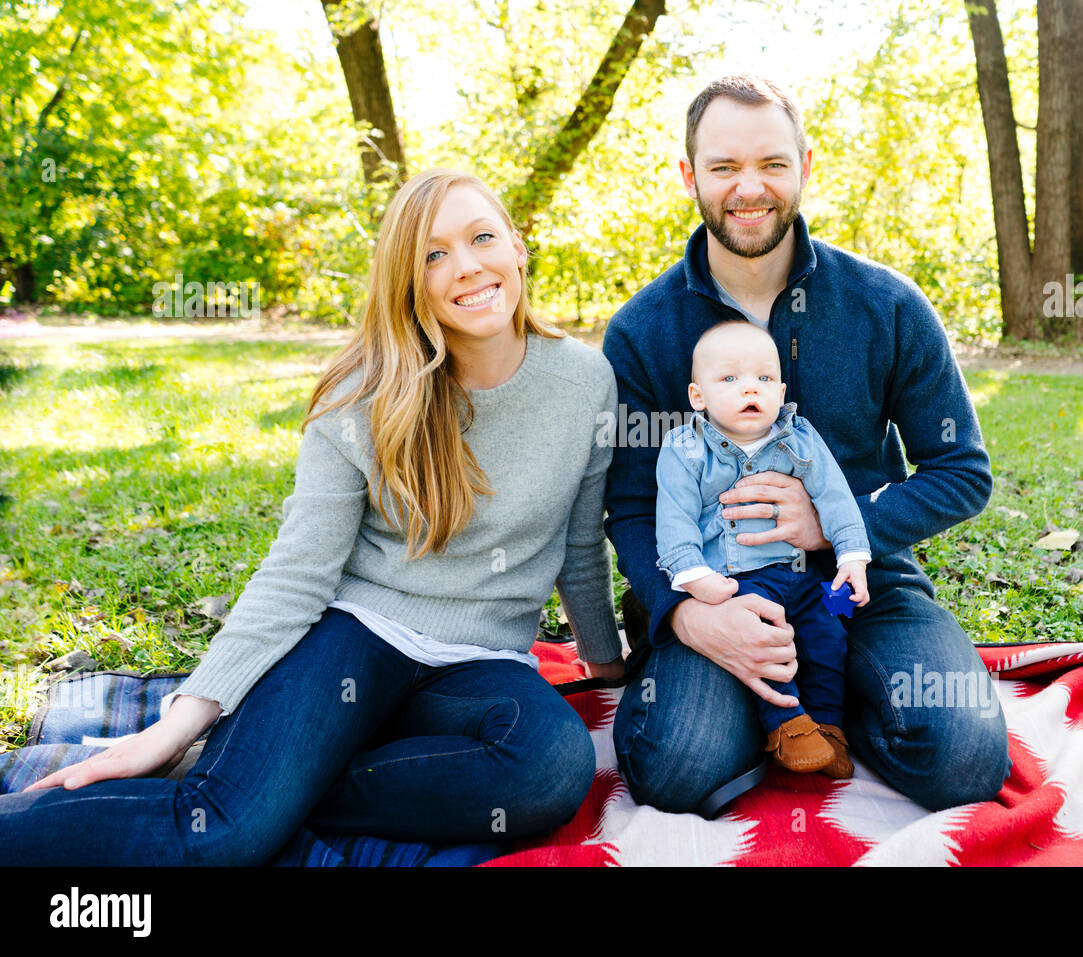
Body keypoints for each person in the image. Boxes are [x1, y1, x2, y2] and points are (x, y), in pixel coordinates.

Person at [0, 169, 625, 865]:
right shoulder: (366, 392)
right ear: (409, 280)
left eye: (482, 237)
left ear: (517, 245)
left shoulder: (584, 380)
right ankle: (235, 788)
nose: (467, 265)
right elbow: (297, 571)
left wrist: (607, 665)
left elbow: (578, 543)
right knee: (223, 833)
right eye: (434, 253)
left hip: (479, 669)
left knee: (547, 767)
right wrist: (171, 730)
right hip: (353, 638)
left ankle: (271, 785)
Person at [603, 75, 1012, 814]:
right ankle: (783, 695)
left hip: (866, 579)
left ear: (806, 166)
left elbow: (961, 471)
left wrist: (836, 521)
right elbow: (630, 509)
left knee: (965, 760)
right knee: (676, 766)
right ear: (689, 175)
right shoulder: (644, 329)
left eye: (772, 163)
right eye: (724, 167)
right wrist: (688, 615)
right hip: (722, 588)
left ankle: (840, 683)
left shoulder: (886, 304)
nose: (749, 188)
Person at [655, 320, 869, 777]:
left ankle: (828, 726)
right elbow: (673, 520)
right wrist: (694, 577)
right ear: (698, 396)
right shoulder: (684, 448)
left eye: (763, 379)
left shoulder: (800, 438)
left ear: (781, 389)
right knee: (766, 646)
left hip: (802, 572)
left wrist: (851, 555)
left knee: (827, 640)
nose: (749, 389)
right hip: (739, 583)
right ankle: (786, 725)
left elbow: (836, 499)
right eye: (729, 379)